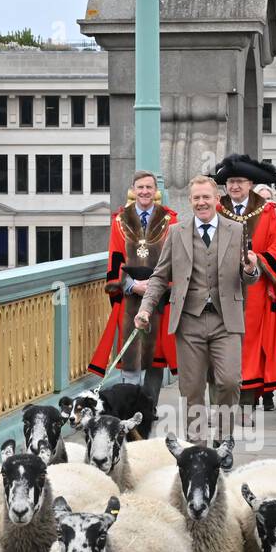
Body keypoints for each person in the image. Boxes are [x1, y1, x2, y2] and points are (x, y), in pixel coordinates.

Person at [135, 174, 260, 445]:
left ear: (217, 200)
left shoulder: (236, 230)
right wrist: (145, 309)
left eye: (206, 197)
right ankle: (197, 447)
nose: (201, 203)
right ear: (190, 201)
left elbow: (247, 275)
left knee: (229, 381)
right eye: (196, 198)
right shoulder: (176, 232)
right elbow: (159, 276)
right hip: (189, 321)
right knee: (191, 388)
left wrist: (251, 268)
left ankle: (225, 438)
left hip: (225, 319)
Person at [88, 170, 178, 401]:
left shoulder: (170, 220)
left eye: (149, 187)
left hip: (159, 296)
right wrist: (130, 285)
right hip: (130, 297)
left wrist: (159, 286)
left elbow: (176, 258)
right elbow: (115, 260)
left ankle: (150, 406)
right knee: (130, 353)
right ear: (133, 190)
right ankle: (130, 405)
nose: (145, 192)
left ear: (155, 191)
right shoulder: (119, 221)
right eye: (141, 187)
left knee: (156, 357)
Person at [214, 154, 276, 415]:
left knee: (248, 345)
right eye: (231, 182)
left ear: (250, 184)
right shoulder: (216, 208)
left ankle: (246, 403)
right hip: (221, 287)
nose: (234, 186)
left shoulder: (267, 211)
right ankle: (223, 405)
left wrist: (258, 259)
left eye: (240, 181)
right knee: (221, 343)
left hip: (255, 290)